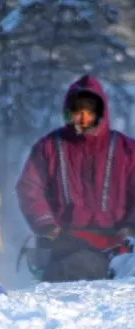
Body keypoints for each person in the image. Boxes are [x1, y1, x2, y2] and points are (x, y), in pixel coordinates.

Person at [16, 74, 135, 282]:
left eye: (88, 113)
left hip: (121, 245)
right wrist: (48, 226)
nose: (82, 119)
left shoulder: (127, 150)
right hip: (67, 243)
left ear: (100, 112)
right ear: (68, 112)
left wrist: (131, 227)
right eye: (77, 112)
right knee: (75, 267)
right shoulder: (50, 146)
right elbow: (29, 188)